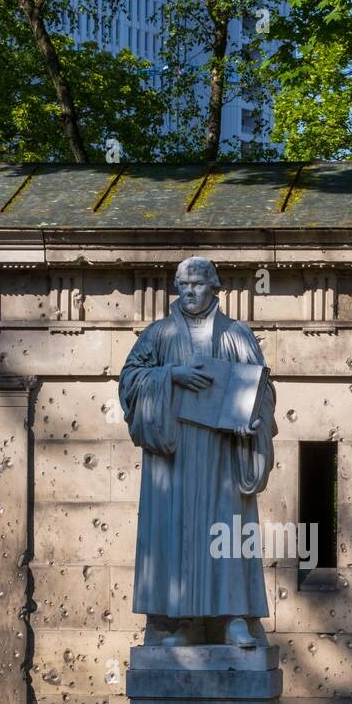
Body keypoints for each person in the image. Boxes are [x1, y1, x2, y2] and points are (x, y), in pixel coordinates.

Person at [119, 256, 276, 647]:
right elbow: (129, 381)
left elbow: (262, 390)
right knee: (179, 533)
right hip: (174, 455)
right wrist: (171, 375)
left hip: (223, 453)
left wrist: (251, 423)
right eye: (183, 284)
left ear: (214, 288)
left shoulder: (237, 335)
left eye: (198, 284)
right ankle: (183, 621)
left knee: (227, 531)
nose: (189, 291)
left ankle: (235, 618)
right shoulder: (157, 335)